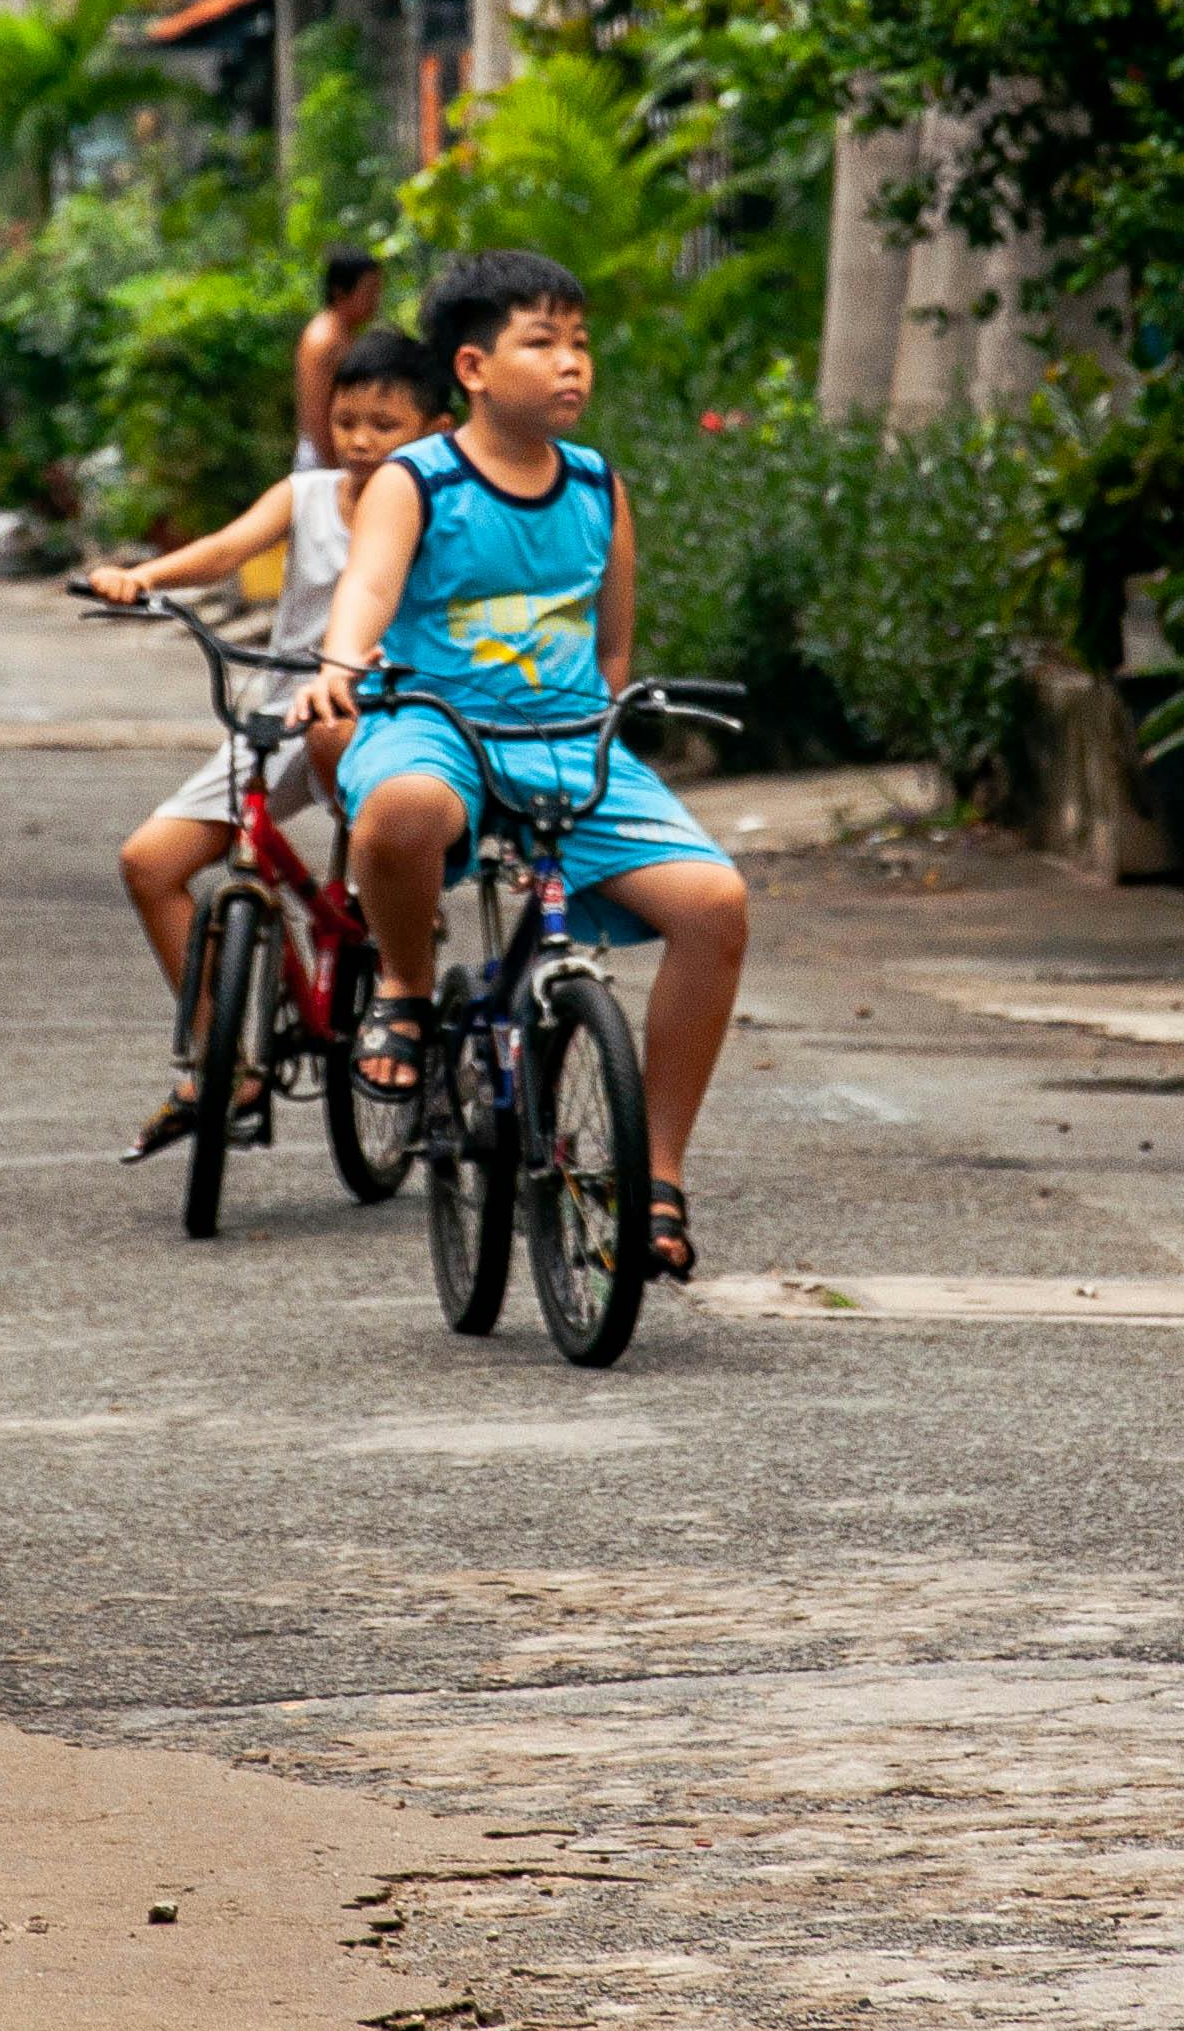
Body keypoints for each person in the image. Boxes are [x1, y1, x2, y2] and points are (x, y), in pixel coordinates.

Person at [290, 247, 747, 1284]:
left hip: (567, 738)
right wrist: (338, 669)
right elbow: (363, 591)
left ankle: (657, 1178)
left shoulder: (596, 485)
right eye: (541, 341)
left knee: (715, 903)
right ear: (473, 366)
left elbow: (613, 643)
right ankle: (405, 987)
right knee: (399, 808)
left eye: (579, 342)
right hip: (432, 719)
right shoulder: (416, 479)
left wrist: (607, 729)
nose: (571, 362)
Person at [91, 324, 442, 1162]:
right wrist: (142, 577)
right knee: (150, 864)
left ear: (433, 431)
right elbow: (224, 551)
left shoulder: (441, 506)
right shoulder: (308, 494)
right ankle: (223, 1066)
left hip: (384, 720)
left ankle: (383, 930)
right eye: (346, 419)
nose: (359, 440)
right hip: (281, 712)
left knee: (357, 796)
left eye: (383, 425)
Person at [292, 245, 385, 469]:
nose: (376, 299)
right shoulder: (324, 339)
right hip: (323, 457)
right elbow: (316, 414)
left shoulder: (345, 333)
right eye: (369, 291)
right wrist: (336, 464)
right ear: (340, 291)